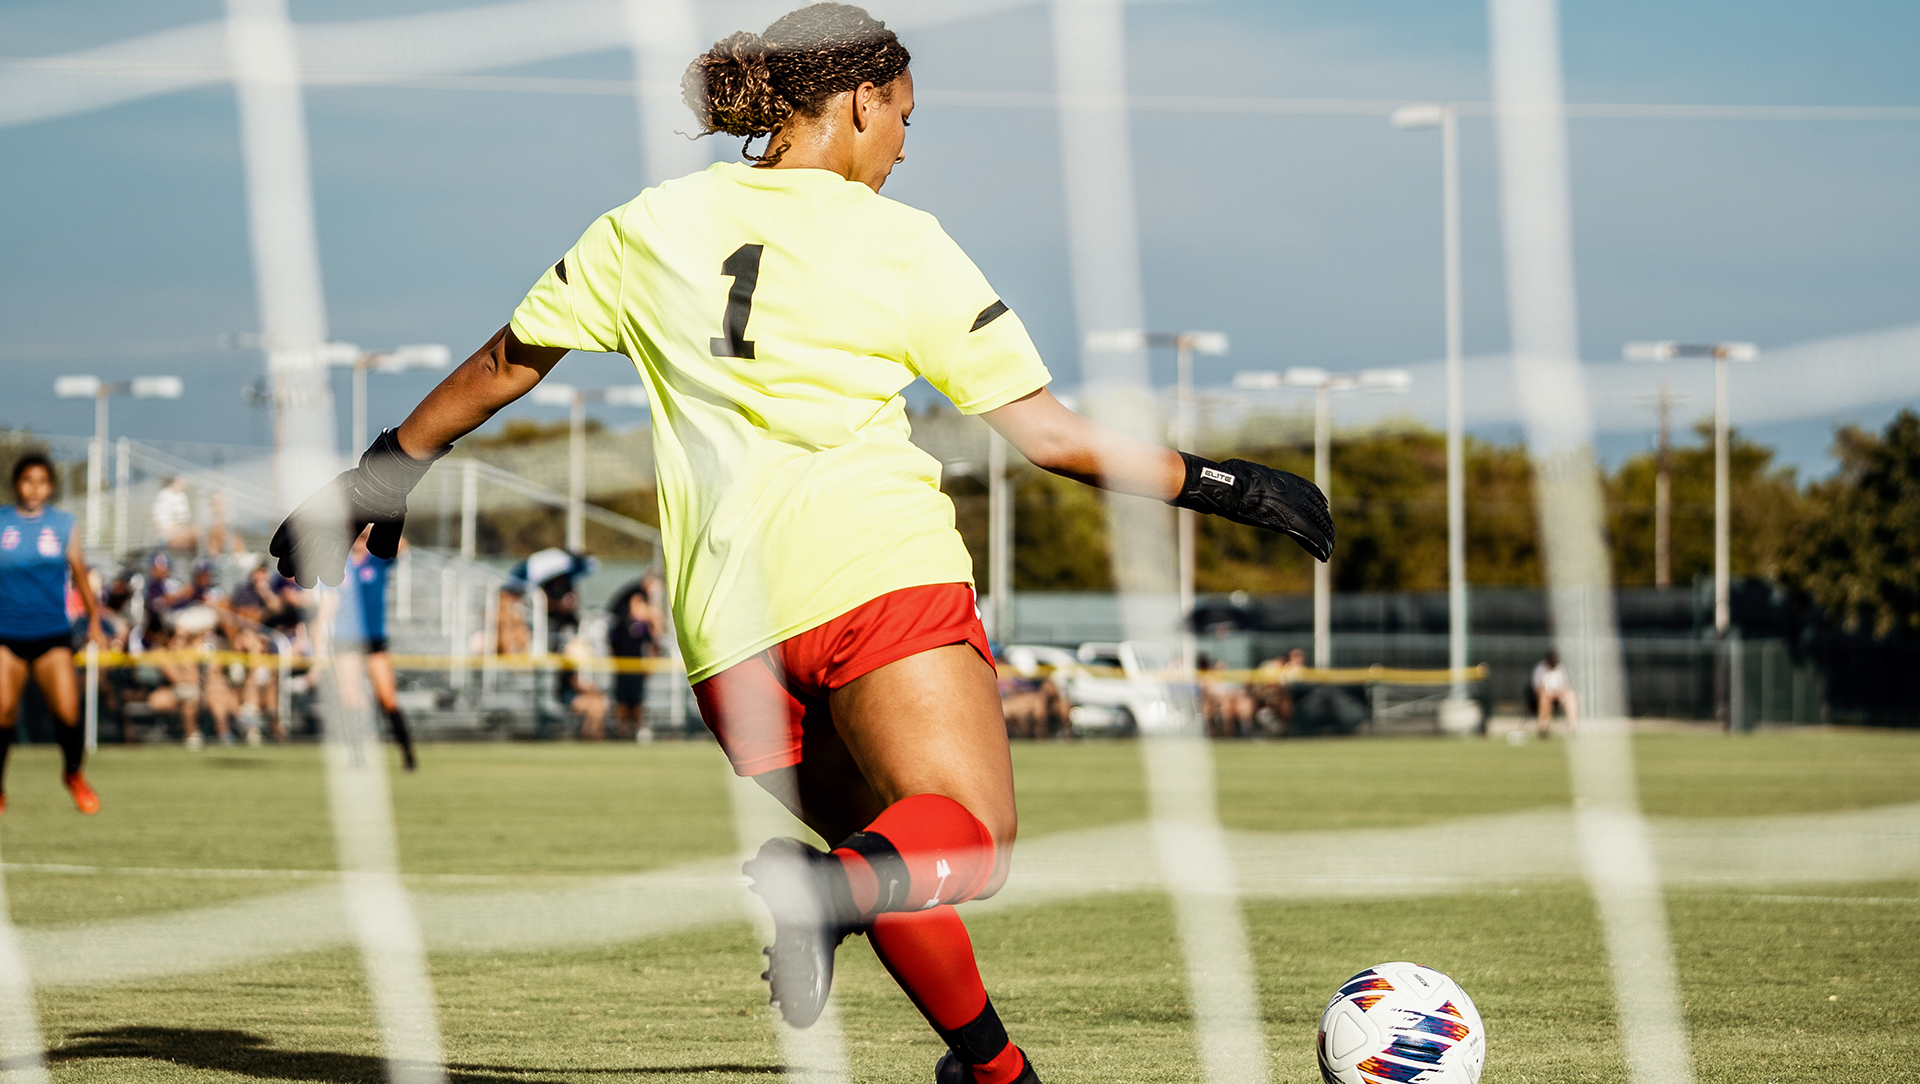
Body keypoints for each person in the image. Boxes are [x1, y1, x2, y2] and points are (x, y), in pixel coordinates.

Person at [265, 7, 1333, 1080]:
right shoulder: (900, 241)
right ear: (863, 102)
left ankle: (993, 1069)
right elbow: (1051, 439)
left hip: (727, 633)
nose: (904, 146)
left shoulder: (650, 223)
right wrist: (1232, 485)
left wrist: (384, 470)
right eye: (905, 117)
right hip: (875, 577)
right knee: (965, 837)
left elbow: (508, 361)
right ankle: (819, 895)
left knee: (889, 857)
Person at [0, 454, 104, 813]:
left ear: (50, 487)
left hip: (51, 633)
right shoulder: (2, 522)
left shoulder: (63, 524)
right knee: (2, 711)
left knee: (67, 710)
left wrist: (94, 619)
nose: (34, 488)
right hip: (6, 634)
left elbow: (79, 572)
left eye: (42, 482)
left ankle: (73, 774)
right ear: (17, 484)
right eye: (27, 480)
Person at [336, 534, 416, 770]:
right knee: (350, 699)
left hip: (373, 640)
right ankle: (356, 757)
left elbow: (402, 544)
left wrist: (373, 527)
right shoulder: (341, 563)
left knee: (387, 698)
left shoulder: (377, 559)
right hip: (346, 639)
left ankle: (408, 755)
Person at [606, 574, 665, 740]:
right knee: (622, 700)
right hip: (622, 667)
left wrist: (651, 664)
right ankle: (622, 730)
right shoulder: (620, 624)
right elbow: (612, 645)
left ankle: (637, 729)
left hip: (637, 667)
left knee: (637, 700)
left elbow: (653, 643)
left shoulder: (642, 626)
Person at [1531, 649, 1578, 738]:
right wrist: (1550, 693)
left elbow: (1564, 685)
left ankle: (1572, 726)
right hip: (1546, 696)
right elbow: (1538, 689)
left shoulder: (1561, 668)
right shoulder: (1540, 669)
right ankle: (1543, 726)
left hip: (1559, 695)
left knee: (1571, 695)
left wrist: (1560, 693)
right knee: (1545, 696)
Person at [151, 476, 194, 556]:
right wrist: (171, 529)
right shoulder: (164, 495)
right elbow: (158, 519)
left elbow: (184, 517)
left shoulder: (182, 496)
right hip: (167, 532)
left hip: (180, 530)